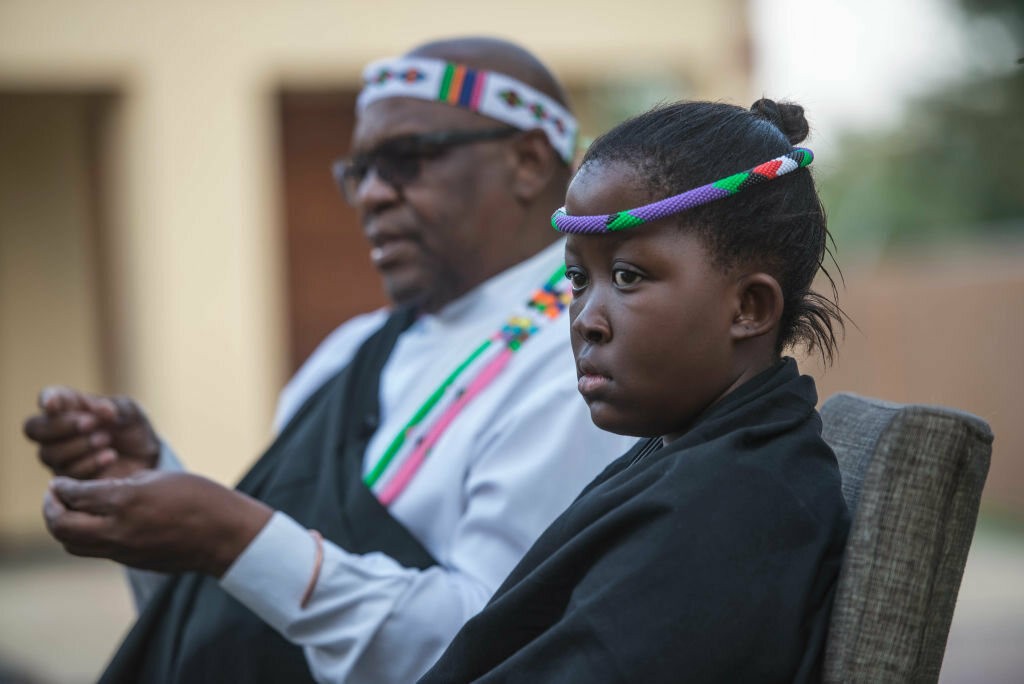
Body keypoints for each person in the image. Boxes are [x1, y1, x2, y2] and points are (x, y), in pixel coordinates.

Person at [23, 37, 634, 683]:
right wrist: (149, 495)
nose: (370, 195)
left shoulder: (580, 358)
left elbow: (487, 646)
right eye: (359, 171)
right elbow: (244, 616)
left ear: (528, 161)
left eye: (406, 160)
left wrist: (230, 534)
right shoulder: (351, 350)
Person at [419, 99, 852, 683]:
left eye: (627, 276)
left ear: (749, 307)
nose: (585, 320)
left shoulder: (727, 517)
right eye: (578, 279)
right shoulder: (697, 457)